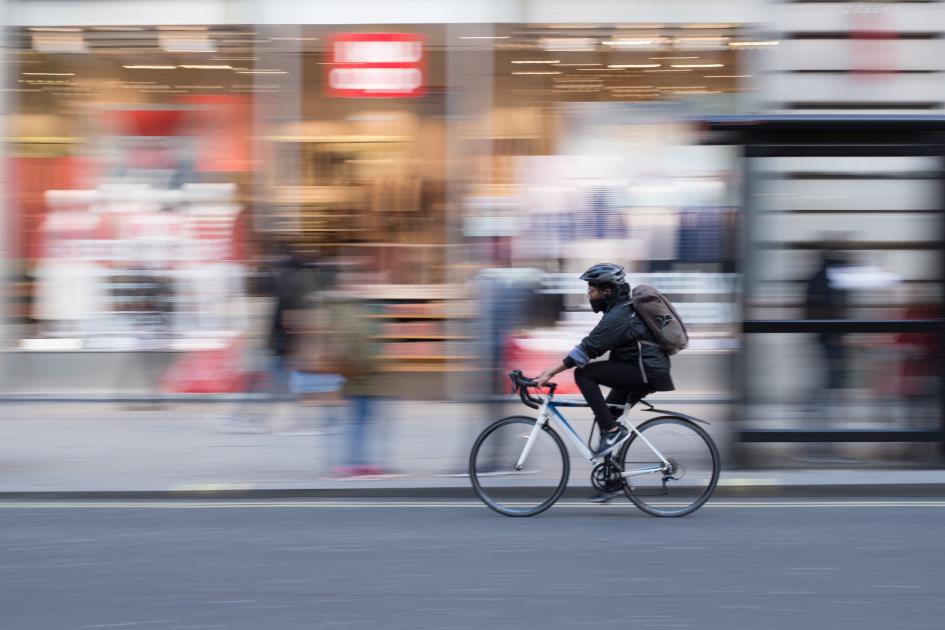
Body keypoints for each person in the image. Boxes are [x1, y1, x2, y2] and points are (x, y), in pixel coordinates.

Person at [536, 263, 675, 502]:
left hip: (646, 371)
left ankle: (612, 431)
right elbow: (594, 345)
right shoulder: (618, 311)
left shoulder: (620, 315)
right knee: (607, 414)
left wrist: (550, 372)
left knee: (584, 374)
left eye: (592, 287)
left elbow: (587, 349)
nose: (588, 292)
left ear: (608, 290)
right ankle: (613, 481)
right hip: (642, 369)